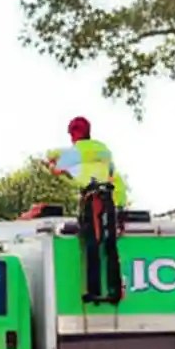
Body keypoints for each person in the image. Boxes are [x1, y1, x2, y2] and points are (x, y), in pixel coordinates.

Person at [46, 116, 126, 304]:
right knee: (110, 246)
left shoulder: (77, 151)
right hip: (109, 200)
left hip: (93, 200)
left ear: (75, 133)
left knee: (92, 244)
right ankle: (114, 290)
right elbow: (113, 175)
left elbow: (55, 164)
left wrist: (51, 163)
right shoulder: (104, 151)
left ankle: (94, 290)